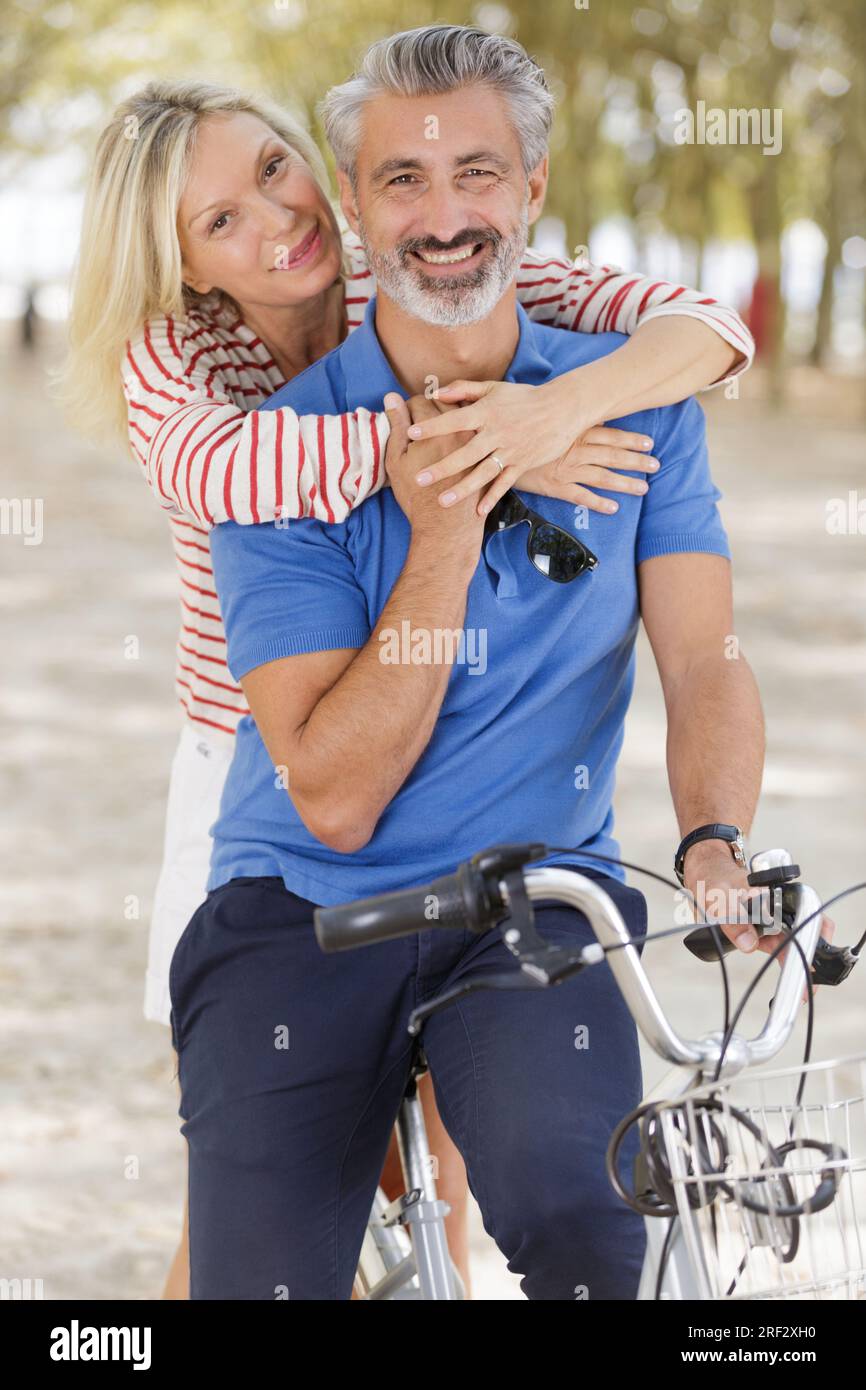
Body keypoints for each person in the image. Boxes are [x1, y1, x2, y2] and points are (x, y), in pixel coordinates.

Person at [57, 46, 755, 1297]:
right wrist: (458, 467)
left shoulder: (552, 322)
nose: (277, 223)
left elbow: (703, 339)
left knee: (542, 1185)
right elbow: (318, 766)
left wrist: (543, 413)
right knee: (250, 1240)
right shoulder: (208, 400)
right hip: (262, 776)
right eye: (224, 217)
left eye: (274, 178)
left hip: (515, 879)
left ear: (532, 185)